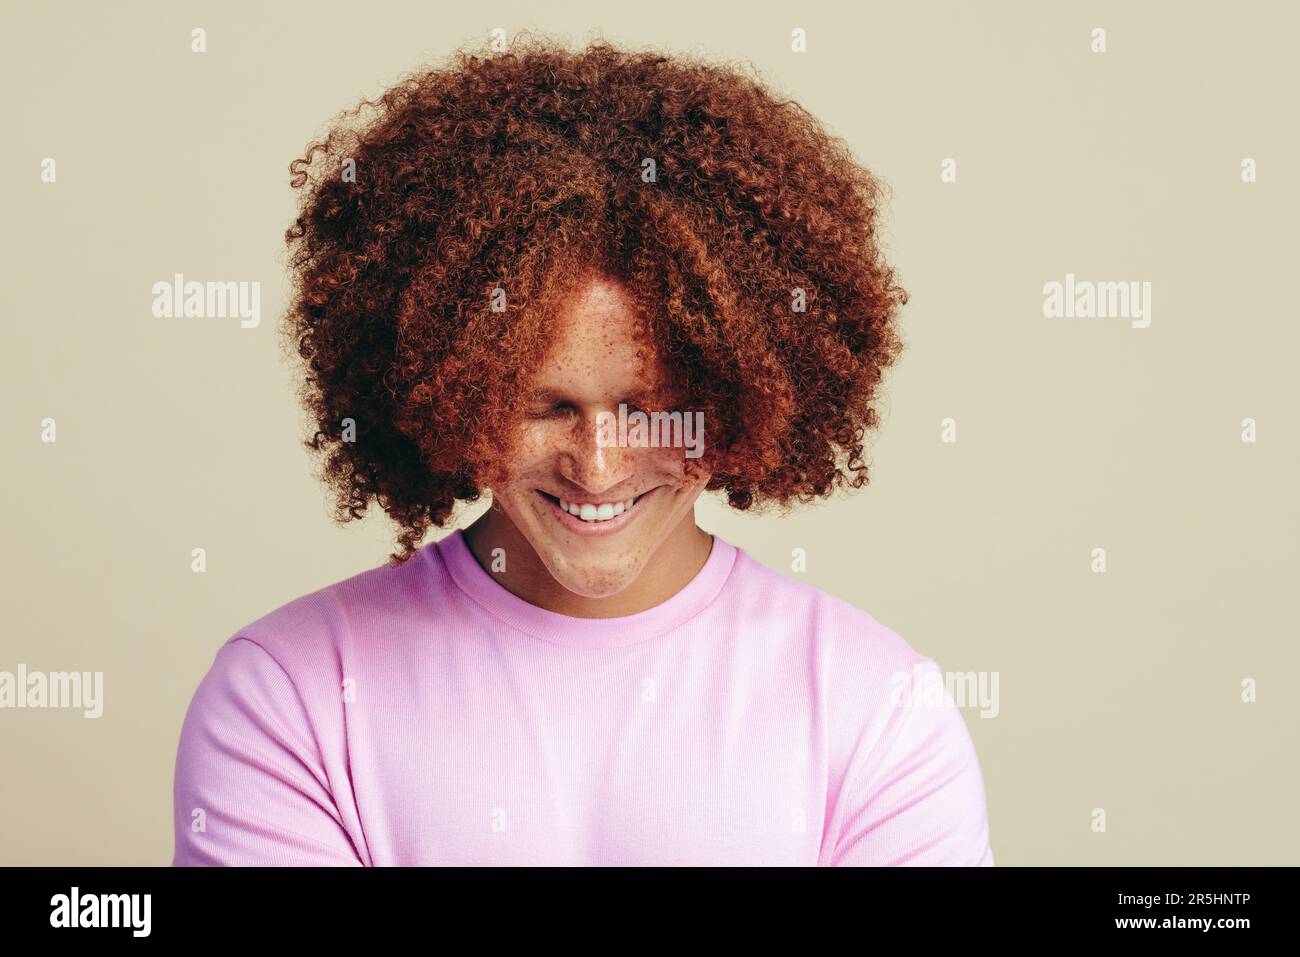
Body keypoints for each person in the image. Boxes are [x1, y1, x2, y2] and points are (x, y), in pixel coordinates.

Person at [171, 33, 993, 866]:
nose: (598, 465)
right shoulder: (291, 699)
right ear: (452, 397)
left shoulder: (877, 711)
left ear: (742, 396)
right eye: (546, 407)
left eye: (649, 408)